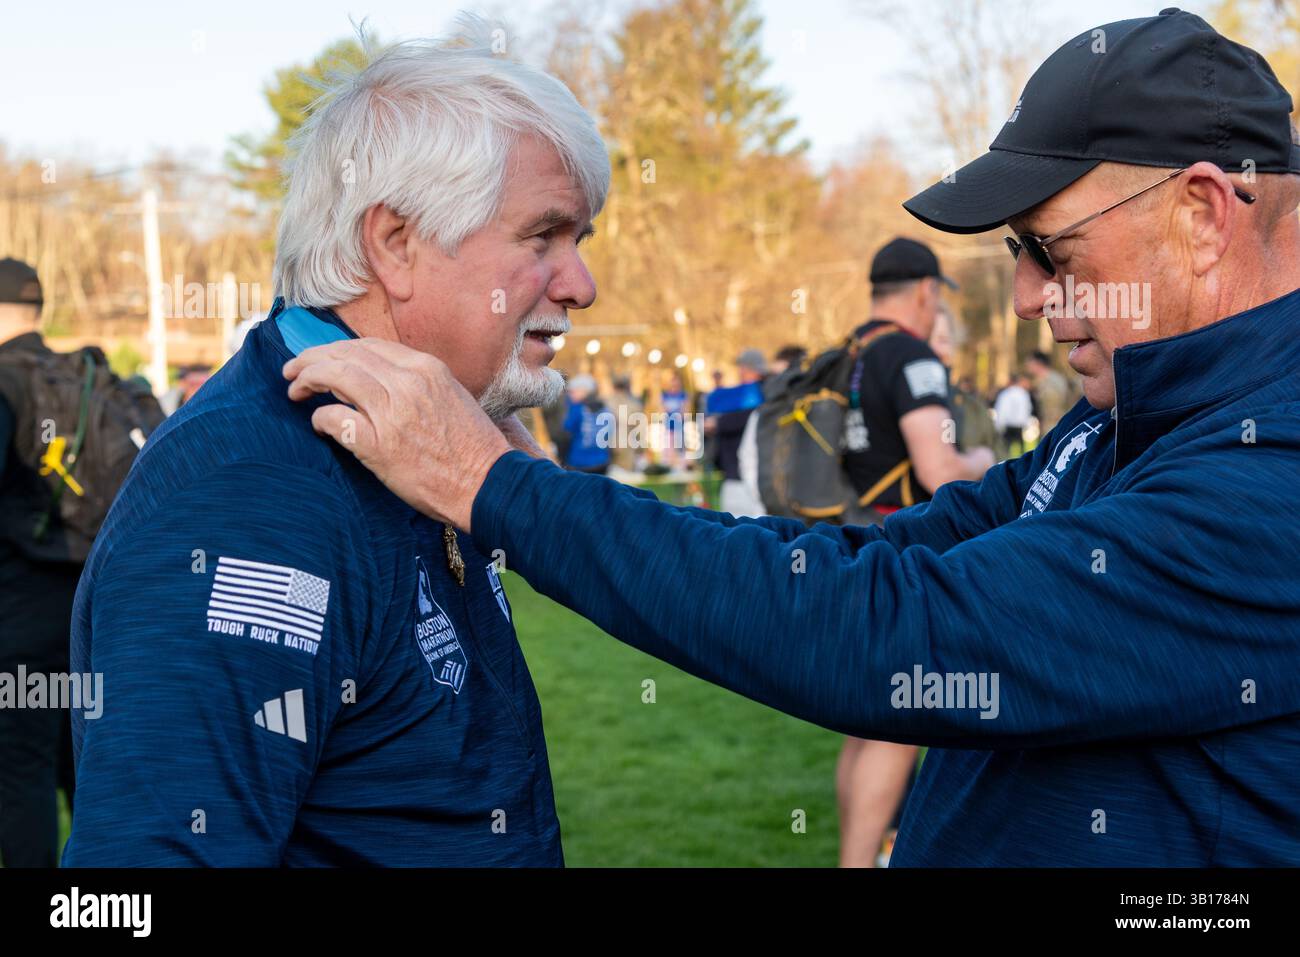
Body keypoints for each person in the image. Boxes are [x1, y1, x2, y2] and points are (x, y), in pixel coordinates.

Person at [288, 9, 1300, 866]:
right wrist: (536, 493)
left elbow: (896, 630)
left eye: (1050, 249)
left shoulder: (1268, 474)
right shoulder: (1129, 420)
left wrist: (492, 484)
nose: (1028, 296)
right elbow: (870, 559)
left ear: (1204, 215)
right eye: (1014, 254)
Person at [64, 16, 608, 866]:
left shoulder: (414, 440)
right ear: (396, 245)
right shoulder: (249, 493)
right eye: (544, 236)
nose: (582, 284)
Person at [0, 259, 80, 867]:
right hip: (95, 609)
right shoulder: (82, 376)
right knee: (82, 761)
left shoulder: (4, 381)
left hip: (21, 608)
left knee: (19, 769)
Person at [706, 348, 767, 517]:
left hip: (748, 476)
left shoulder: (762, 392)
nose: (740, 372)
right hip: (734, 473)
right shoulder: (742, 392)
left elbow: (750, 415)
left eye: (744, 368)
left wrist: (718, 423)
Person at [562, 374, 612, 474]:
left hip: (578, 462)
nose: (570, 395)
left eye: (573, 392)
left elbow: (566, 429)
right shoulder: (605, 408)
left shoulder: (577, 408)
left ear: (584, 391)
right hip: (602, 461)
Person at [1025, 350, 1072, 435]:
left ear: (1038, 363)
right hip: (1046, 426)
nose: (1027, 365)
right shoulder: (1037, 383)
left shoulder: (1055, 381)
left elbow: (1062, 403)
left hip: (1056, 426)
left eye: (1030, 362)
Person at [993, 373, 1034, 456]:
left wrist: (998, 425)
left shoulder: (1005, 393)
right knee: (1021, 447)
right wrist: (1026, 422)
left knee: (1006, 447)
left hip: (1008, 424)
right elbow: (1028, 408)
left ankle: (1004, 459)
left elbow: (1002, 410)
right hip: (1020, 424)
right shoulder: (1024, 393)